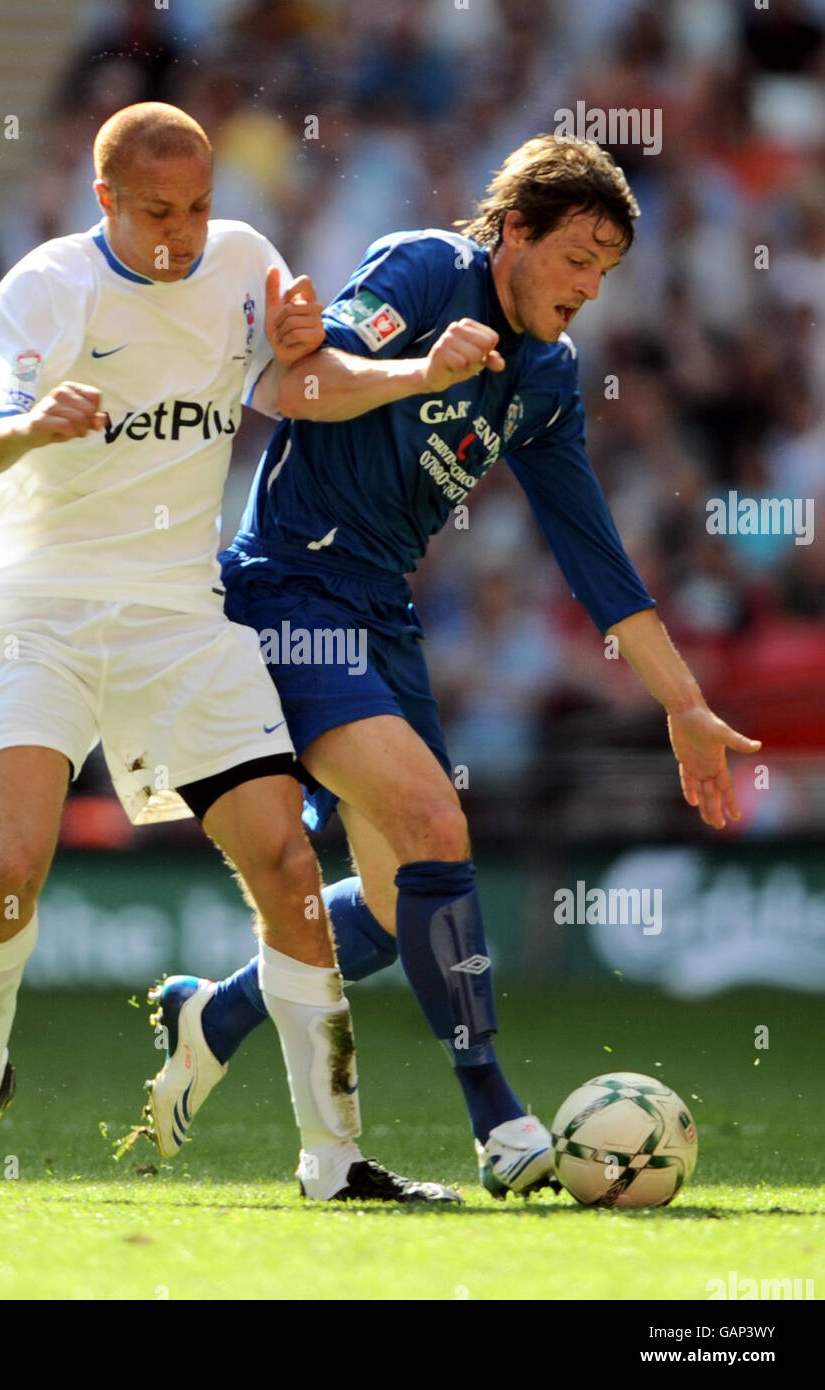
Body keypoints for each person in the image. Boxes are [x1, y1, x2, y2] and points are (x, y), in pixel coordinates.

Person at [145, 135, 762, 1195]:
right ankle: (499, 1123)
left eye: (605, 272)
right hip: (289, 591)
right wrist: (420, 370)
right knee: (438, 824)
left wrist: (686, 706)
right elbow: (301, 380)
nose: (587, 288)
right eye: (575, 258)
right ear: (515, 231)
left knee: (394, 910)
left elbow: (596, 561)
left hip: (382, 611)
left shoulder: (548, 378)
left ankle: (218, 1009)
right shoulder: (428, 270)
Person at [0, 102, 457, 1206]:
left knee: (291, 868)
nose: (184, 233)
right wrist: (32, 426)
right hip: (38, 614)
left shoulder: (243, 262)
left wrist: (410, 374)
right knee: (13, 868)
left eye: (201, 207)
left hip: (179, 618)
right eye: (158, 212)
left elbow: (299, 388)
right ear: (104, 199)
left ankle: (333, 1159)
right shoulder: (47, 289)